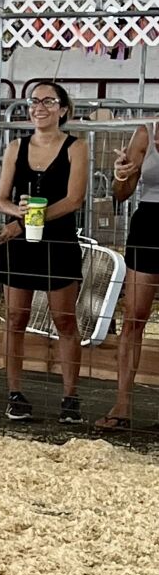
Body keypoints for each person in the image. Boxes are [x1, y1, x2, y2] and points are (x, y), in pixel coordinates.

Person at [0, 82, 89, 424]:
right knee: (16, 318)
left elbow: (74, 199)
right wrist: (18, 216)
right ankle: (14, 393)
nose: (40, 107)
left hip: (58, 241)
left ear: (63, 109)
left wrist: (33, 218)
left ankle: (70, 397)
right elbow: (1, 199)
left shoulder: (76, 148)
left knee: (64, 319)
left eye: (49, 101)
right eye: (35, 101)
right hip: (20, 242)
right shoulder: (14, 148)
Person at [94, 120, 159, 431]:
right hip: (149, 223)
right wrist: (121, 173)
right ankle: (122, 404)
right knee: (134, 316)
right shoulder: (146, 133)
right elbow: (122, 194)